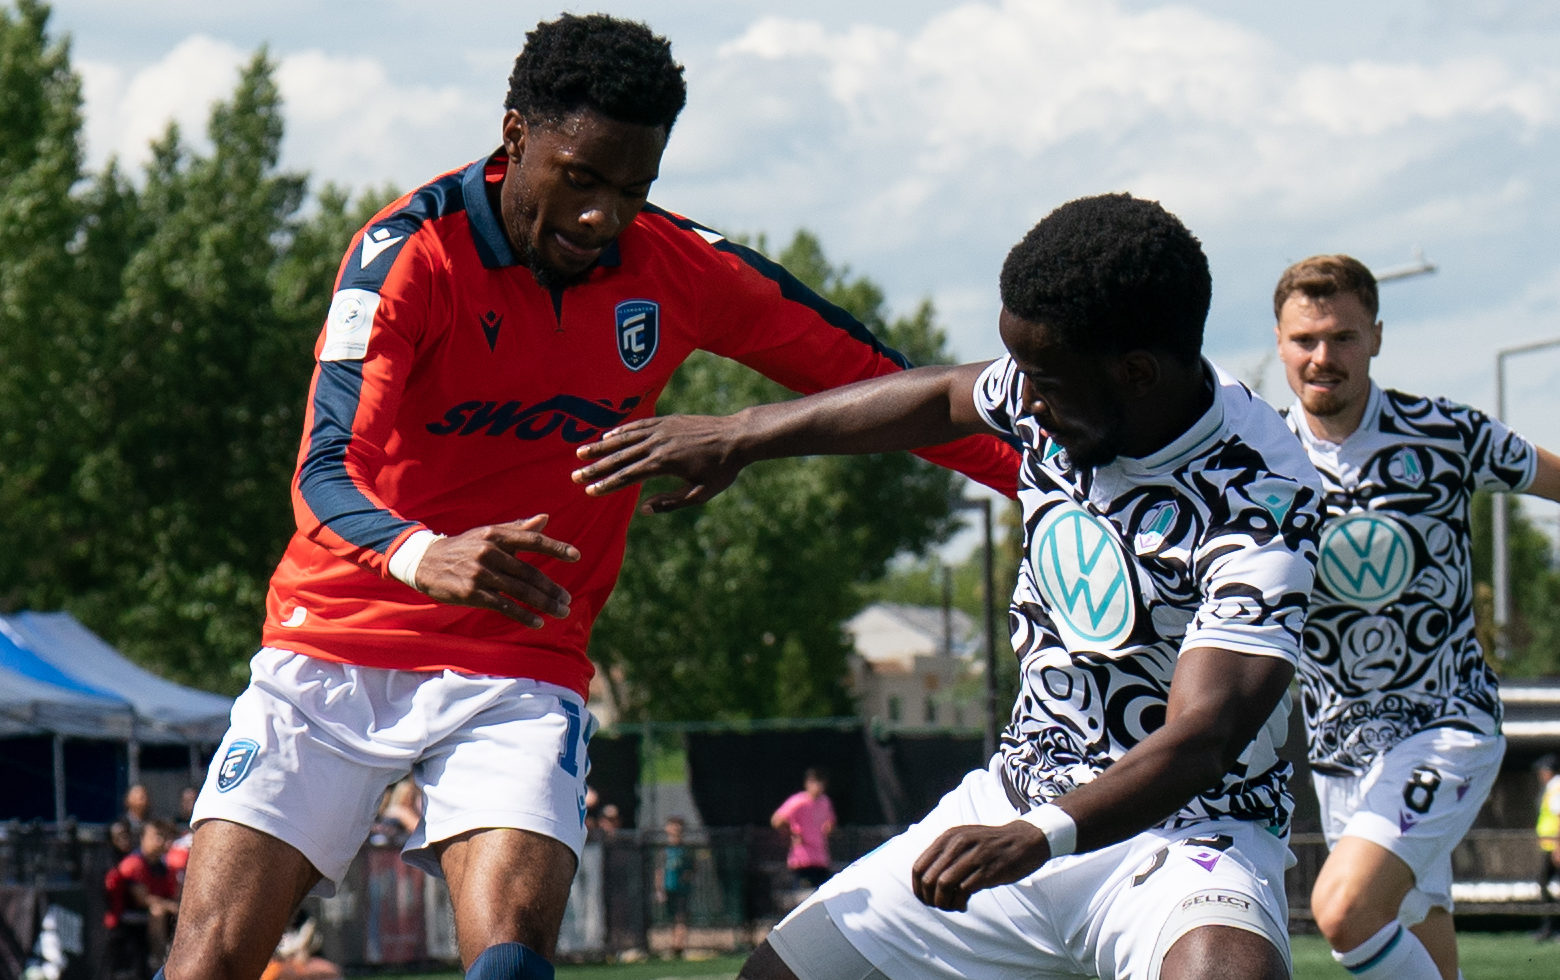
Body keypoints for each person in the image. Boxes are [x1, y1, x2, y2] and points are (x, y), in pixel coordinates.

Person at [161, 13, 1018, 980]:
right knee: (205, 966)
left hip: (519, 663)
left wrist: (1061, 482)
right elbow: (324, 471)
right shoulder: (410, 255)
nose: (603, 217)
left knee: (511, 966)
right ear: (516, 135)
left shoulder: (683, 268)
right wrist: (421, 552)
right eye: (581, 179)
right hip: (331, 644)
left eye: (632, 190)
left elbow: (888, 386)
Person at [575, 193, 1323, 980]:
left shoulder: (1261, 498)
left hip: (1185, 835)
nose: (1024, 398)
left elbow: (1205, 736)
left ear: (1136, 374)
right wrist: (742, 434)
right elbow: (938, 397)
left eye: (1042, 381)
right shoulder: (1063, 382)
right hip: (1017, 800)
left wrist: (1041, 837)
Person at [1269, 253, 1560, 980]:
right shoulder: (1258, 458)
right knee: (1406, 944)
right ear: (1280, 343)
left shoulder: (1443, 433)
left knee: (1342, 911)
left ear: (1376, 336)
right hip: (1339, 753)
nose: (1323, 357)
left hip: (1445, 726)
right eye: (1305, 340)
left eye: (1343, 336)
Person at [106, 820, 181, 980]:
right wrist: (169, 905)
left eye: (163, 837)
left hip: (165, 914)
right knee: (157, 911)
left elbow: (172, 894)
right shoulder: (133, 863)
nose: (160, 841)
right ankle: (159, 961)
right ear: (143, 838)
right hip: (131, 916)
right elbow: (143, 899)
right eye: (156, 836)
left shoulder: (166, 866)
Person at [771, 768, 836, 889]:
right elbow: (777, 820)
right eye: (814, 782)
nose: (818, 786)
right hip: (803, 860)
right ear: (807, 783)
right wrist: (792, 833)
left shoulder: (825, 802)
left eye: (820, 782)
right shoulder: (798, 801)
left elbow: (830, 822)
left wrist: (825, 832)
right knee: (804, 896)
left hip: (821, 860)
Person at [656, 816, 692, 959]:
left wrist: (686, 877)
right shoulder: (664, 850)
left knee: (681, 917)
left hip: (681, 890)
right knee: (670, 918)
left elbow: (692, 868)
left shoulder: (686, 850)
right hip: (668, 888)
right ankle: (672, 945)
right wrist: (659, 889)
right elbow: (659, 871)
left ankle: (679, 946)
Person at [1533, 754, 1560, 940]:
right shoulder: (1552, 787)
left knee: (1544, 883)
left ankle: (1550, 927)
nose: (1540, 774)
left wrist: (1558, 847)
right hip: (1549, 845)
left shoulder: (1556, 787)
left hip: (1554, 846)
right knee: (1544, 883)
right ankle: (1549, 927)